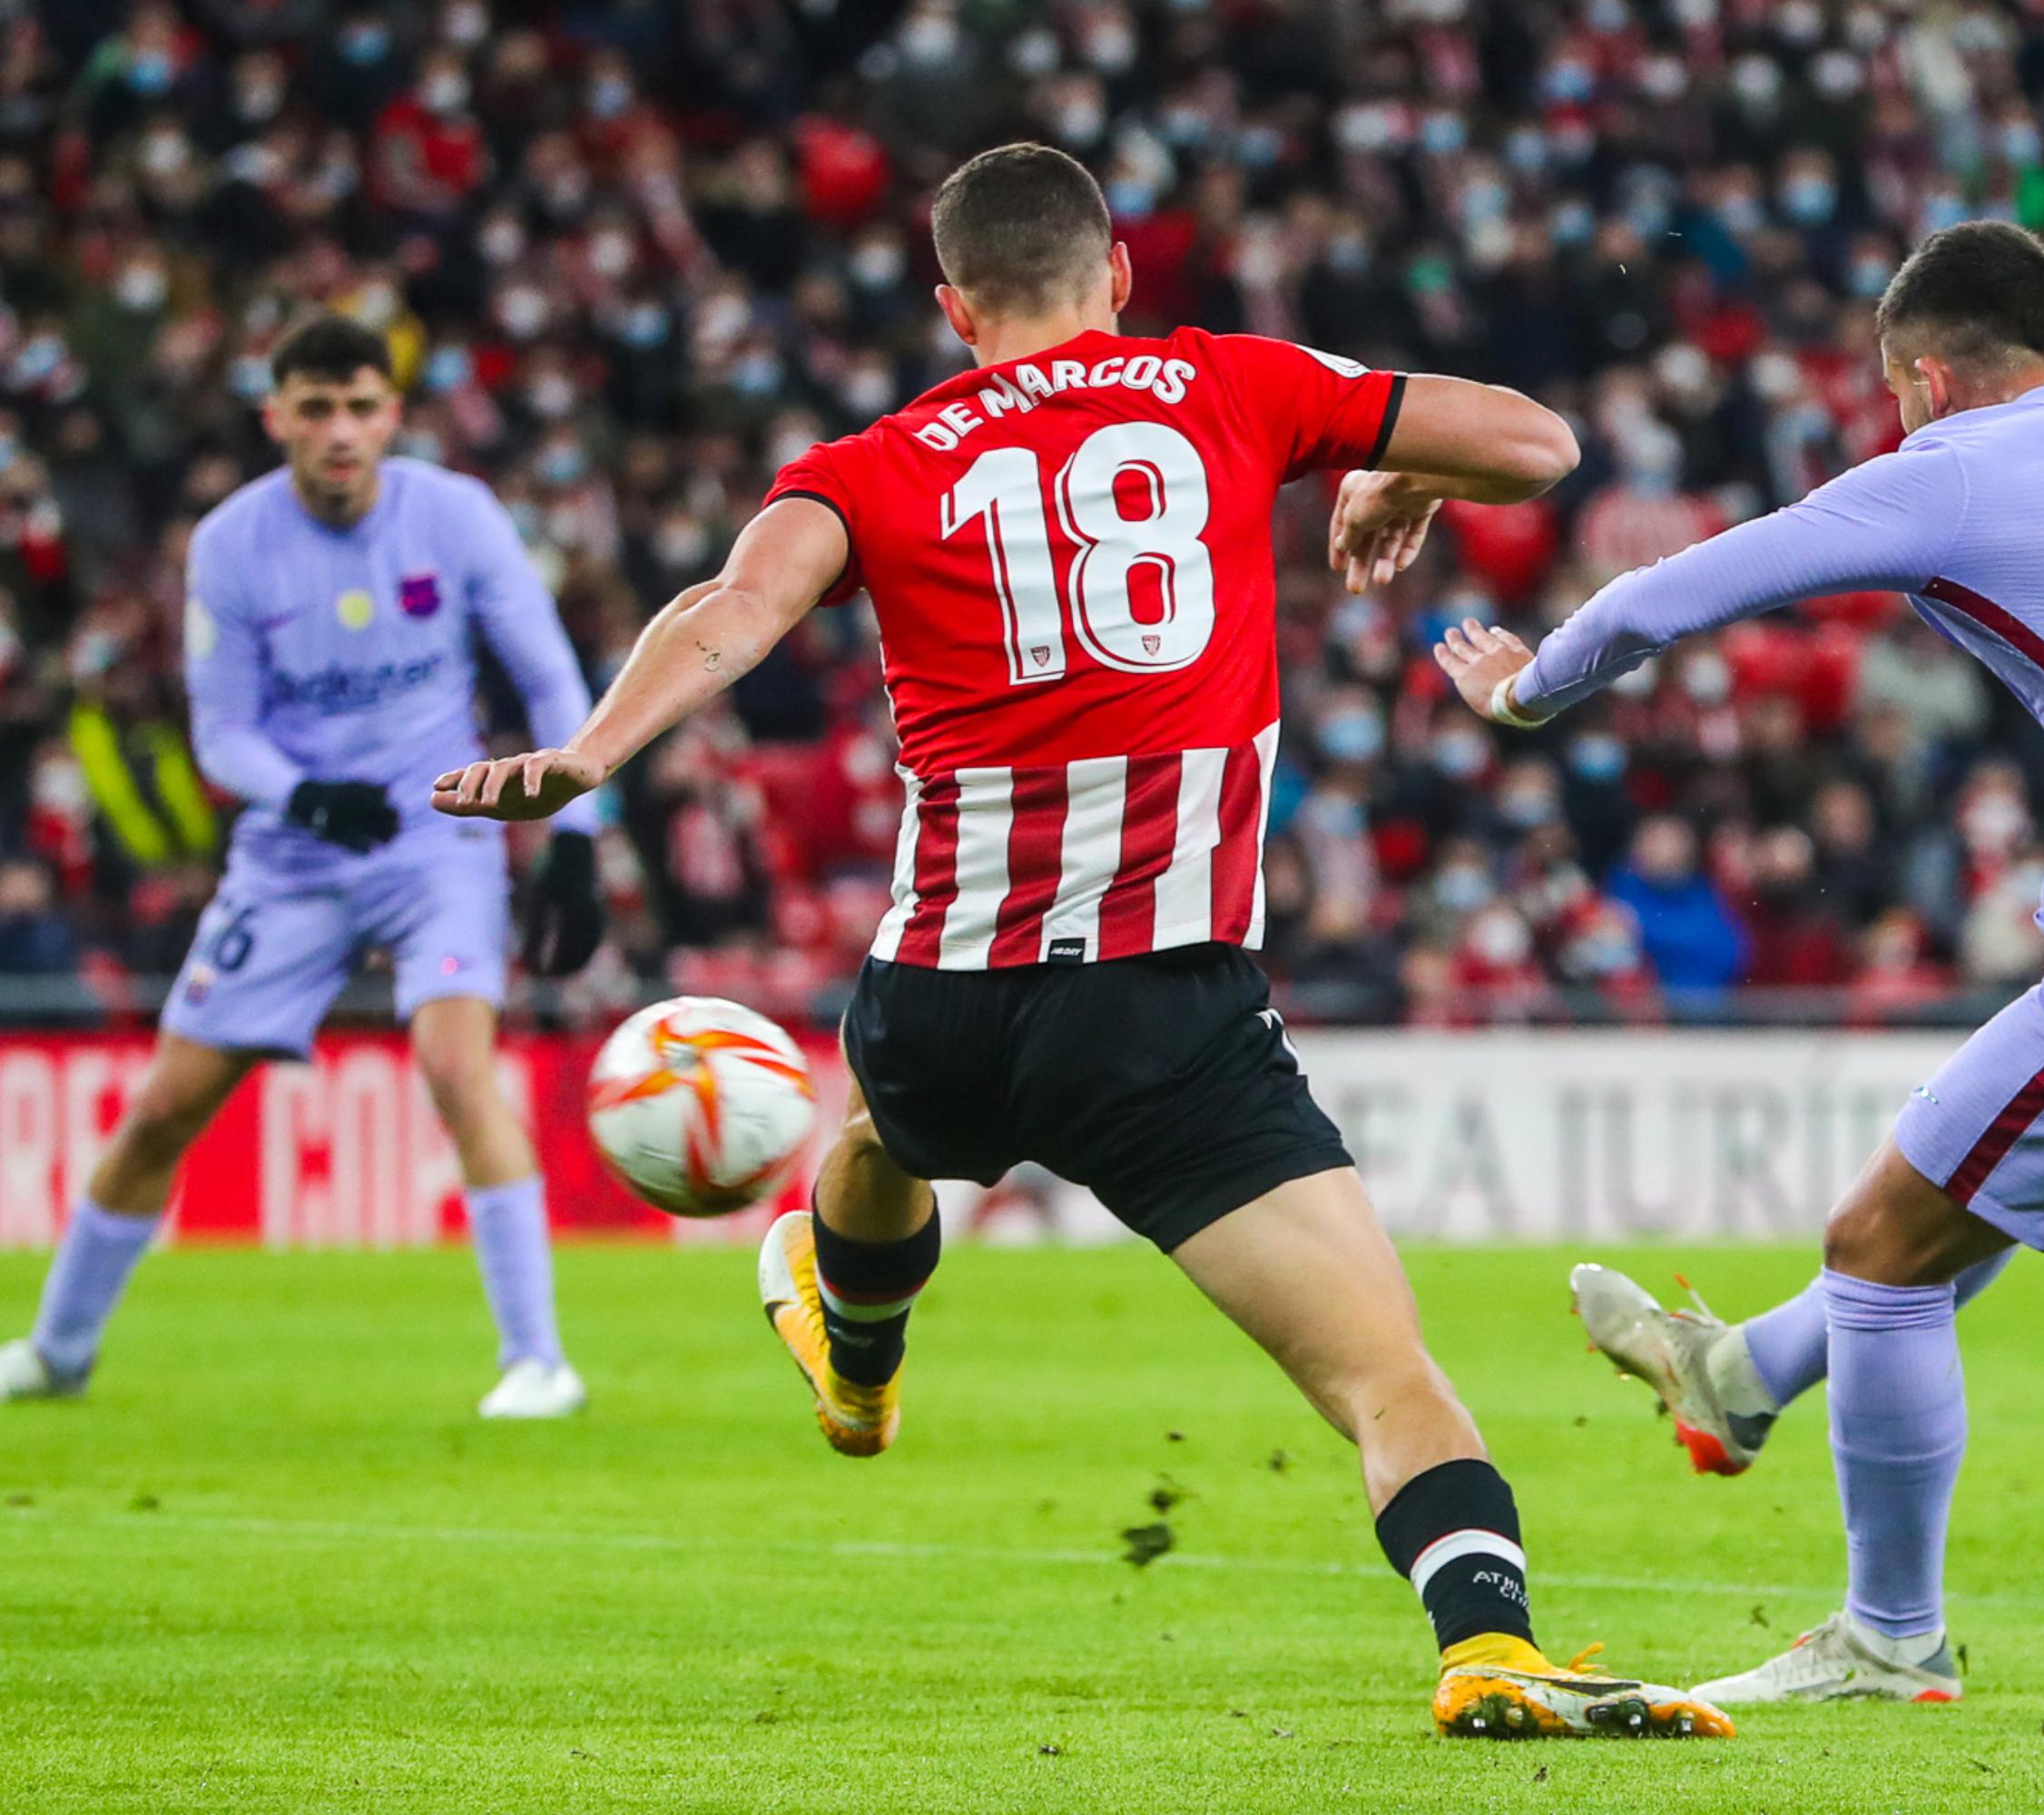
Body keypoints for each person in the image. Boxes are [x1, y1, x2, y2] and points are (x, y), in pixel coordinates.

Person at [431, 142, 1730, 1742]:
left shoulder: (869, 460)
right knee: (1381, 1376)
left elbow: (731, 611)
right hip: (1162, 1017)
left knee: (881, 1127)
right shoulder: (1228, 386)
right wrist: (1395, 470)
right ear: (1116, 271)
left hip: (940, 1000)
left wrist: (590, 755)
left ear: (948, 303)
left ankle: (854, 1351)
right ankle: (1487, 1653)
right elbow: (1537, 443)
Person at [1431, 221, 2044, 1706]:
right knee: (1957, 1212)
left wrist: (1523, 691)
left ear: (1919, 379)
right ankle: (1746, 1379)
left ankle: (1886, 1635)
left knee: (1880, 1251)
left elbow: (1672, 589)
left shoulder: (1958, 460)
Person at [0, 315, 606, 1418]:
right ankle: (57, 1346)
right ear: (274, 415)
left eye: (361, 406)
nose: (340, 431)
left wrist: (575, 834)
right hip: (293, 852)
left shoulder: (456, 516)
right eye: (316, 408)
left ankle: (538, 1359)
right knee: (164, 1108)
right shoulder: (231, 542)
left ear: (393, 415)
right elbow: (223, 730)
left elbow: (553, 678)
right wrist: (303, 791)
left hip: (438, 834)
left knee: (454, 1063)